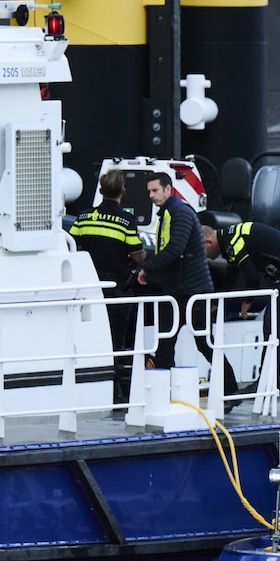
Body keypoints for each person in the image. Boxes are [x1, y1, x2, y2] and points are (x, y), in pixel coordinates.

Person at [206, 217, 280, 385]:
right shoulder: (229, 238)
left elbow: (252, 276)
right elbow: (231, 276)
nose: (204, 256)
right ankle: (272, 382)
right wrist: (216, 301)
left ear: (209, 242)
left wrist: (247, 301)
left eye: (202, 250)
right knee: (274, 325)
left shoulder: (232, 243)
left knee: (273, 325)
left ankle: (266, 382)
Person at [69, 170, 145, 406]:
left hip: (88, 289)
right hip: (116, 290)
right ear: (123, 192)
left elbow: (72, 245)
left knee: (88, 341)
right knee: (117, 343)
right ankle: (117, 394)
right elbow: (138, 255)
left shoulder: (83, 218)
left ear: (100, 191)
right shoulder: (126, 222)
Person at [135, 171, 212, 371]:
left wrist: (146, 268)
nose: (151, 195)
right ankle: (166, 387)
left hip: (191, 290)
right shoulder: (169, 213)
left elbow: (175, 248)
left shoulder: (179, 212)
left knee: (205, 344)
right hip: (178, 288)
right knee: (165, 343)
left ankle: (228, 388)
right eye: (149, 191)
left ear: (168, 189)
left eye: (155, 190)